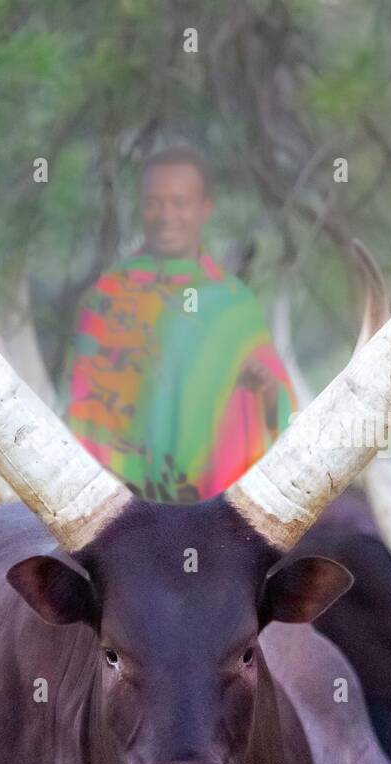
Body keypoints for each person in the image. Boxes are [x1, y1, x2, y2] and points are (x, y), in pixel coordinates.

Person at [64, 145, 296, 502]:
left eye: (179, 203)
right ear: (141, 208)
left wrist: (265, 390)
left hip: (219, 513)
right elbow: (85, 408)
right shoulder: (109, 297)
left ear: (205, 208)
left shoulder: (234, 303)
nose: (165, 215)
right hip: (124, 508)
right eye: (154, 202)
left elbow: (280, 412)